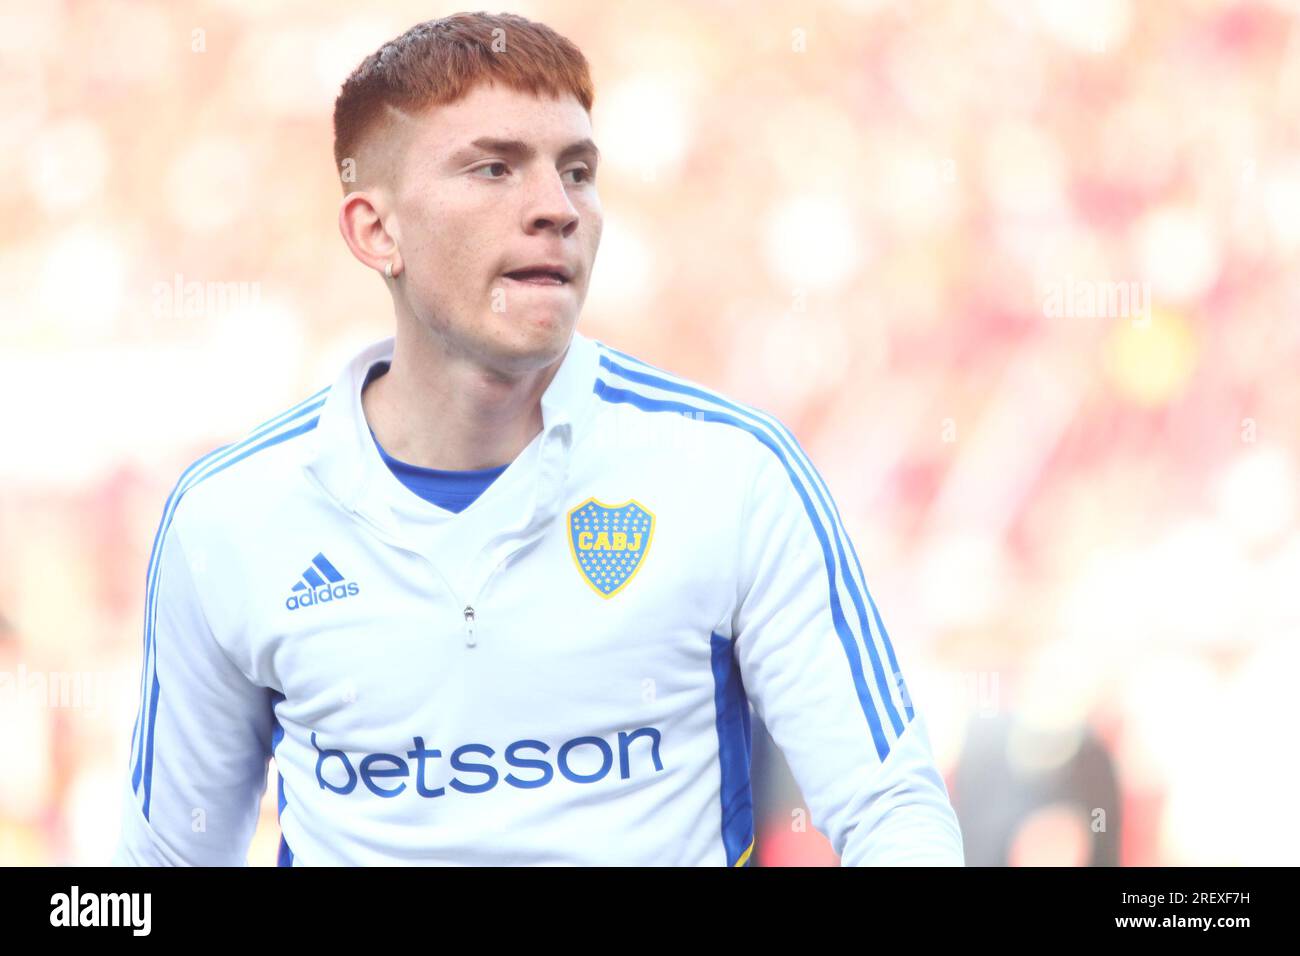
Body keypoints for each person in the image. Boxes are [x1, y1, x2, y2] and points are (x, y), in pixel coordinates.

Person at [112, 11, 963, 866]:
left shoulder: (731, 473)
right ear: (377, 230)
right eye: (494, 168)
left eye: (579, 172)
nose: (556, 209)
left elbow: (891, 808)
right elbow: (165, 863)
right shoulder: (231, 517)